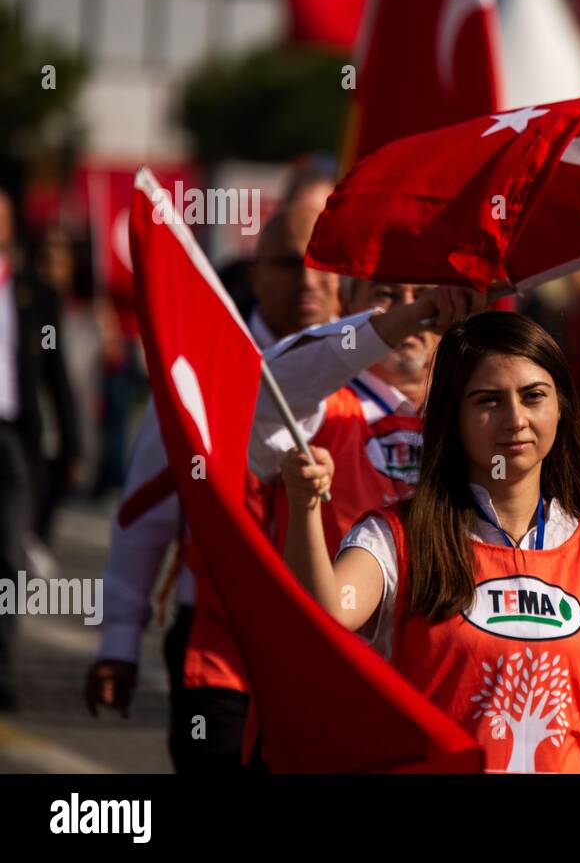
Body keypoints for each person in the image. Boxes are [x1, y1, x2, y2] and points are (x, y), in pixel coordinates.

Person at [279, 311, 580, 773]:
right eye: (488, 401)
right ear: (452, 418)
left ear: (562, 407)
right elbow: (323, 614)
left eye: (534, 396)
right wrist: (305, 506)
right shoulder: (395, 538)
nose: (515, 419)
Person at [85, 192, 341, 771]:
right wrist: (119, 640)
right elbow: (143, 510)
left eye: (322, 263)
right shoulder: (199, 365)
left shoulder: (374, 376)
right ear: (256, 275)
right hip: (218, 651)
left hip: (332, 654)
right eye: (287, 263)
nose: (308, 280)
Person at [0, 187, 81, 711]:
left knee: (9, 557)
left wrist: (71, 441)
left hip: (10, 439)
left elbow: (55, 374)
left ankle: (1, 667)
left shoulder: (33, 295)